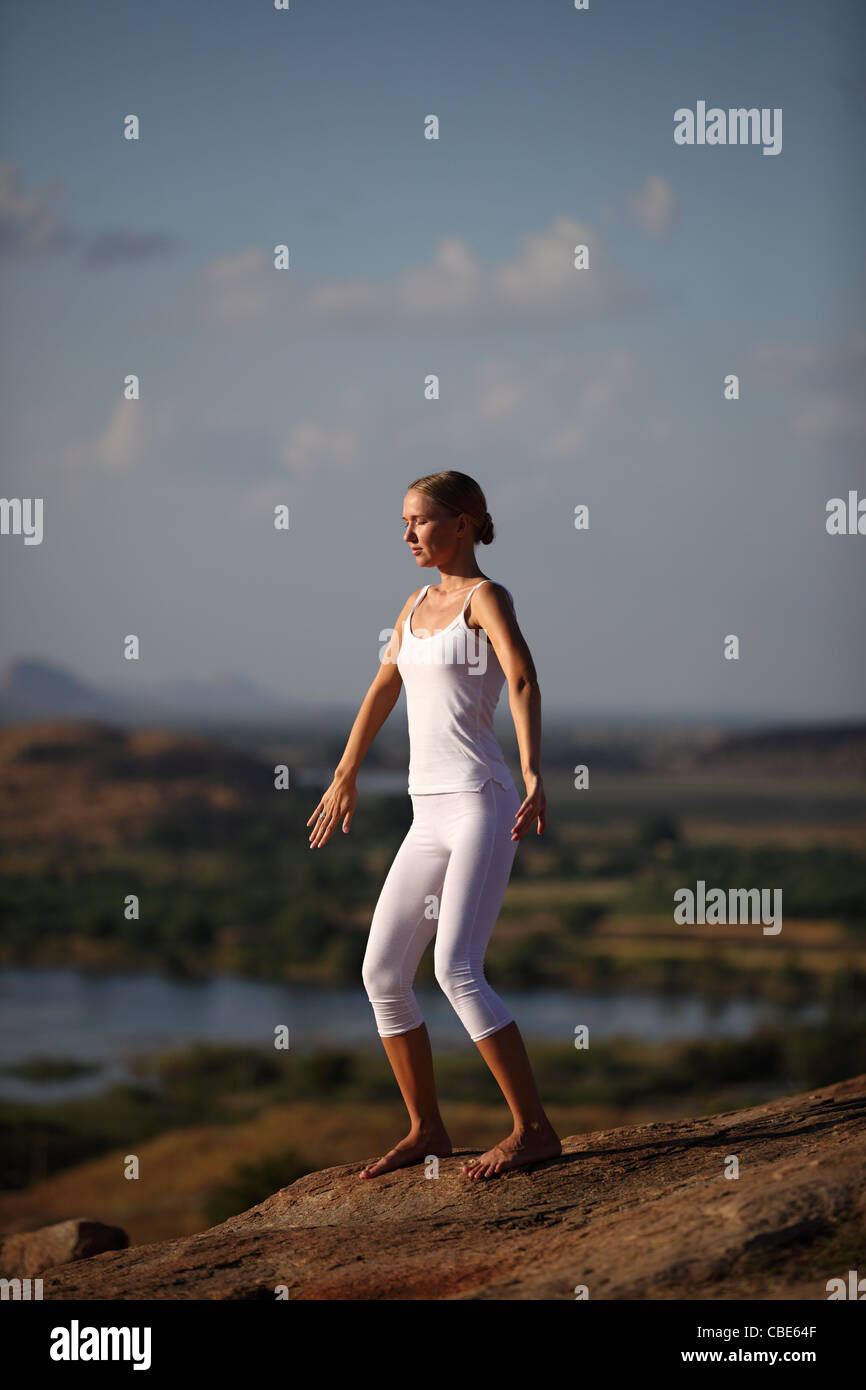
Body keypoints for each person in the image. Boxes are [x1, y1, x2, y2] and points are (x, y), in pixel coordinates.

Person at [307, 470, 561, 1180]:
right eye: (404, 522)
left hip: (480, 800)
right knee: (382, 972)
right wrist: (345, 771)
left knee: (456, 969)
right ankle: (426, 1129)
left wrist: (536, 770)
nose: (408, 534)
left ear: (462, 521)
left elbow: (523, 679)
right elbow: (385, 681)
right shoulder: (416, 603)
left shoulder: (486, 598)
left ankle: (534, 1130)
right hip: (426, 813)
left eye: (418, 520)